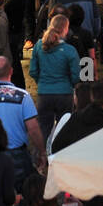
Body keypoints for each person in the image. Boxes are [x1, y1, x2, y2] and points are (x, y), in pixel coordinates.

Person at [0, 56, 44, 189]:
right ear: (11, 71)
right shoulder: (23, 97)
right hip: (16, 155)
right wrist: (41, 151)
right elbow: (33, 128)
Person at [28, 14, 78, 146]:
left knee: (43, 128)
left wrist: (42, 82)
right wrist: (70, 85)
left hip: (44, 93)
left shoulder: (39, 46)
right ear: (65, 29)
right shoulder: (70, 50)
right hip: (64, 93)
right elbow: (75, 76)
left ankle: (39, 160)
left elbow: (33, 71)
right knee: (64, 128)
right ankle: (60, 158)